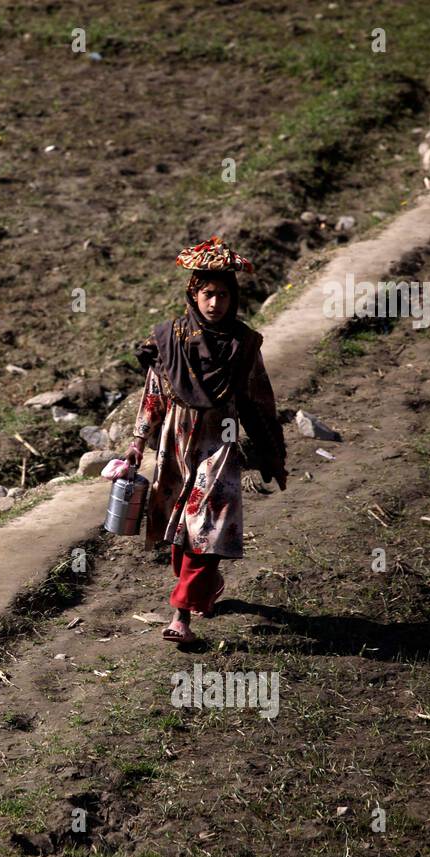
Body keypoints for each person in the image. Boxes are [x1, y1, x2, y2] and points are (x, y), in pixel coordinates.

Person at [122, 236, 288, 645]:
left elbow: (259, 403)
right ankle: (206, 585)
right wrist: (137, 443)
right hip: (175, 446)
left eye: (224, 295)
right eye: (208, 294)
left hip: (219, 446)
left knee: (206, 527)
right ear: (193, 294)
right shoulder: (170, 339)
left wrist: (272, 454)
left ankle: (180, 616)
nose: (216, 304)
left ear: (235, 298)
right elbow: (154, 394)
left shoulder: (243, 345)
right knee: (180, 532)